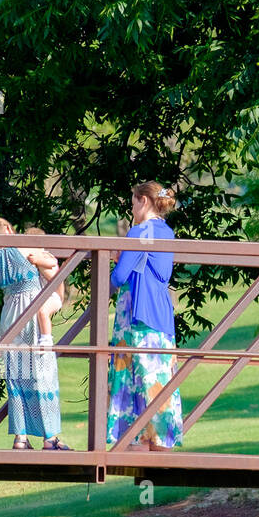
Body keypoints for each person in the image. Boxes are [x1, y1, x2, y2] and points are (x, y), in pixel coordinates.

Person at [0, 215, 72, 450]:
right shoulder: (26, 245)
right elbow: (53, 268)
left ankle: (20, 437)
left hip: (9, 315)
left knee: (17, 376)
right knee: (42, 373)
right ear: (9, 228)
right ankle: (50, 438)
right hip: (32, 309)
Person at [106, 182, 184, 451]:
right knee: (158, 375)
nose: (131, 207)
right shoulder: (166, 232)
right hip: (161, 312)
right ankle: (161, 439)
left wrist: (118, 259)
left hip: (137, 314)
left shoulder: (139, 232)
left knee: (134, 374)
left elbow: (118, 277)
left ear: (143, 201)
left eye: (132, 201)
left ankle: (135, 440)